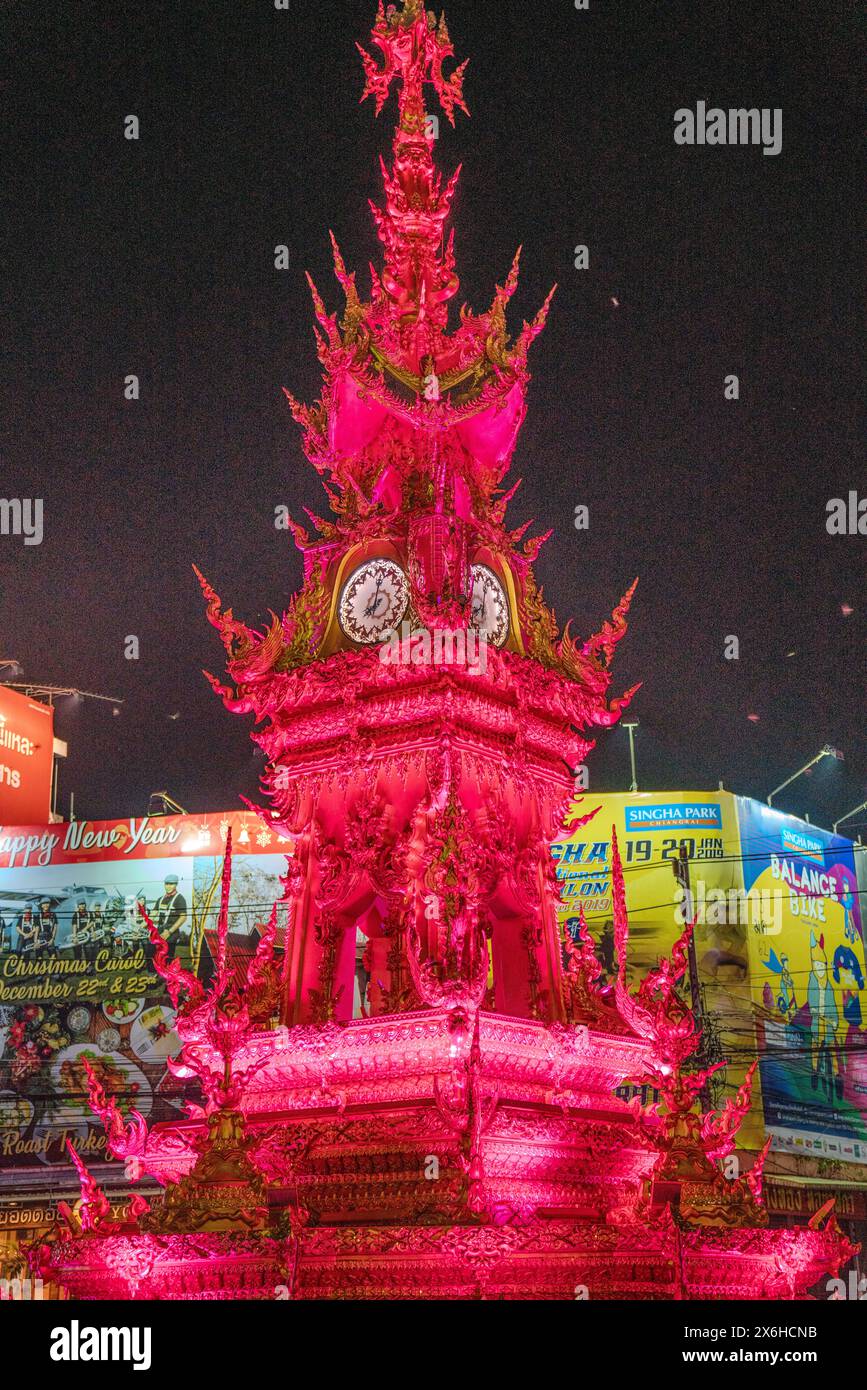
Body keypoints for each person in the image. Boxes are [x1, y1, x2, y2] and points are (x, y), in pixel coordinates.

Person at [153, 874, 189, 962]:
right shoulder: (160, 899)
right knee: (158, 955)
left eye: (171, 884)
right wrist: (144, 922)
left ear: (176, 885)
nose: (168, 886)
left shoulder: (179, 898)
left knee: (167, 957)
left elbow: (183, 917)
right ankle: (158, 974)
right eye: (167, 884)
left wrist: (169, 932)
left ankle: (166, 974)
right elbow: (153, 914)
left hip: (171, 932)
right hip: (160, 930)